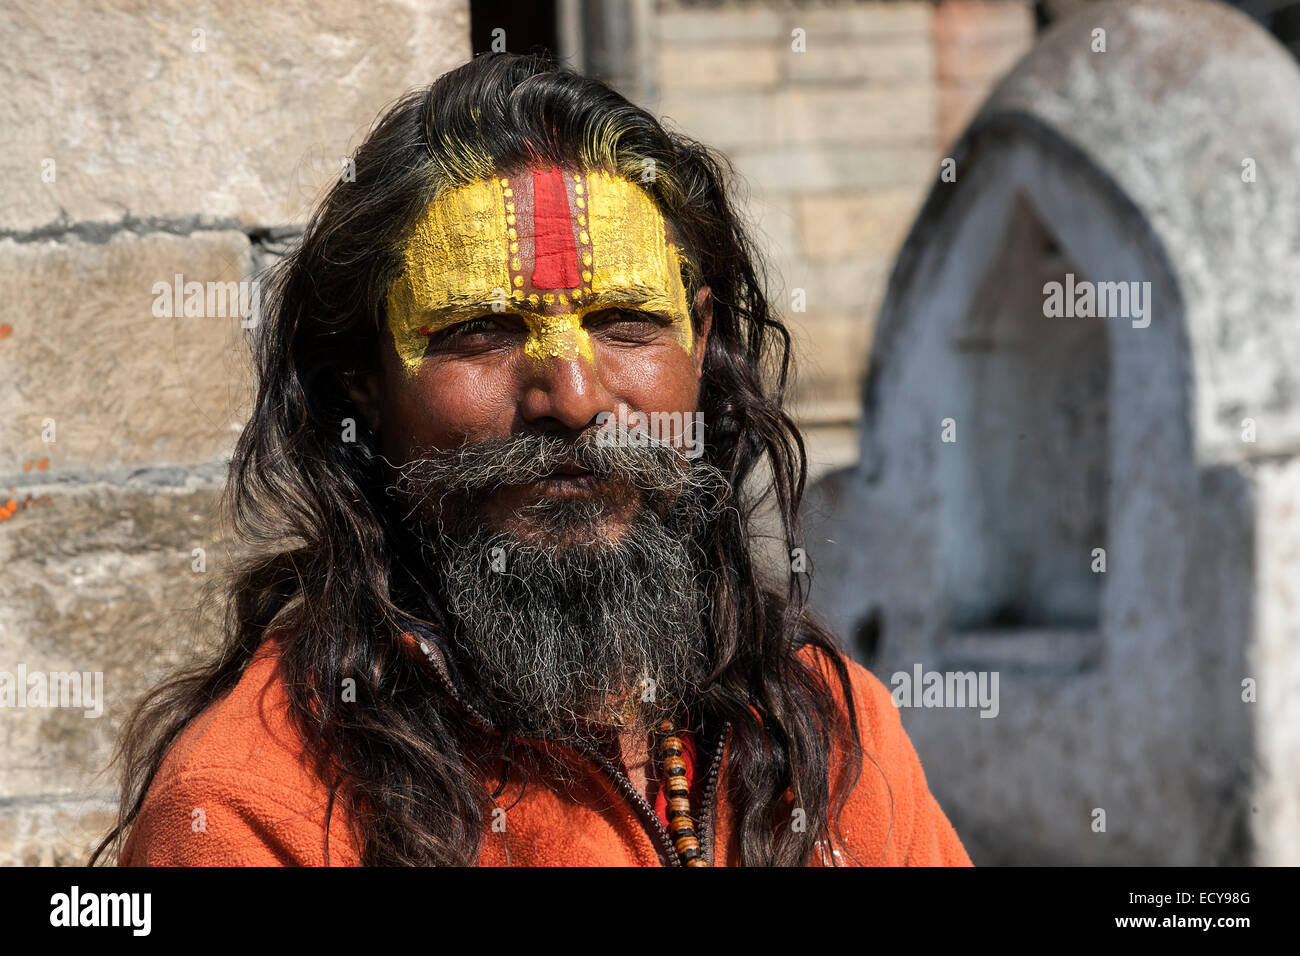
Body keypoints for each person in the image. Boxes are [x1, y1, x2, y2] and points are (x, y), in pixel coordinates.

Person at [96, 52, 972, 867]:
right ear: (363, 383)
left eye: (627, 322)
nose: (576, 398)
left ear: (701, 343)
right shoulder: (255, 808)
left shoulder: (823, 729)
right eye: (480, 332)